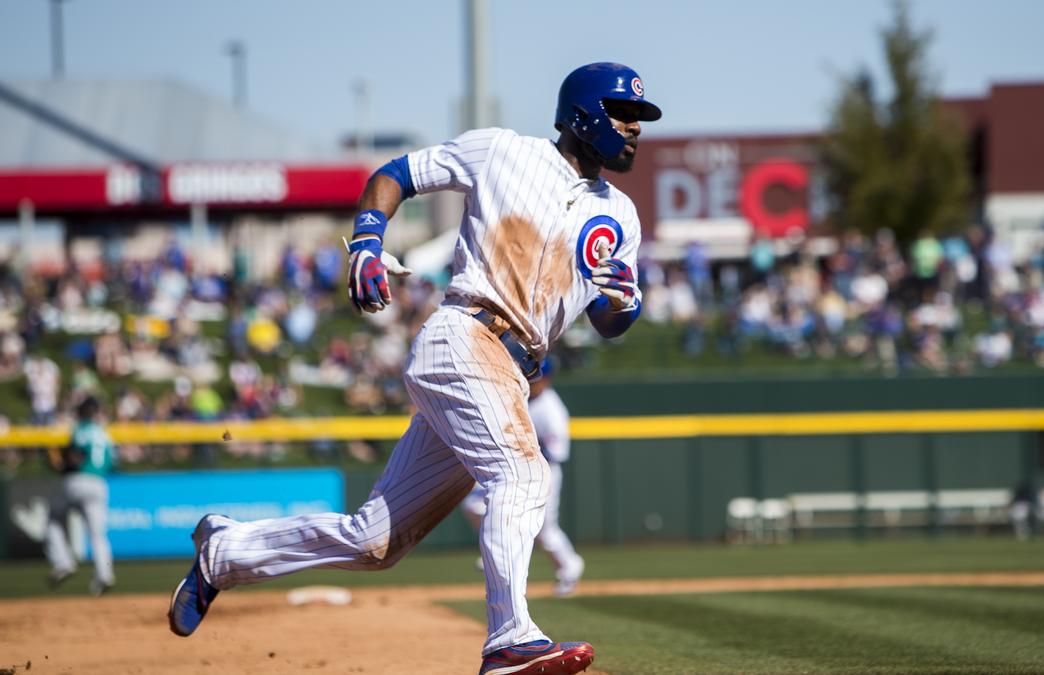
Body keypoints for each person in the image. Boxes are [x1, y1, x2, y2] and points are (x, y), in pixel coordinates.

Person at [168, 62, 659, 675]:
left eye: (639, 117)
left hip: (514, 370)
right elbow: (393, 175)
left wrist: (623, 302)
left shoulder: (623, 217)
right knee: (525, 474)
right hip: (467, 334)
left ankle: (226, 553)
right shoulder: (502, 150)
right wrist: (368, 242)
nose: (635, 127)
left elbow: (613, 322)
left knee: (375, 541)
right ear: (584, 113)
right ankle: (510, 638)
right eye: (625, 113)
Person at [460, 360, 585, 597]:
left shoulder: (552, 410)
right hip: (514, 471)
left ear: (545, 380)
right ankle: (495, 552)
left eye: (535, 377)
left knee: (545, 531)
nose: (530, 380)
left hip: (544, 473)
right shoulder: (520, 397)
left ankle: (569, 567)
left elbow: (555, 453)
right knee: (473, 504)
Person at [44, 396, 117, 596]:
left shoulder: (80, 429)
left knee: (54, 518)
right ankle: (104, 575)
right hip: (99, 483)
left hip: (76, 480)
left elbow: (75, 456)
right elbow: (113, 463)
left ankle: (63, 562)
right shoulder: (104, 434)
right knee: (97, 533)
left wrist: (60, 464)